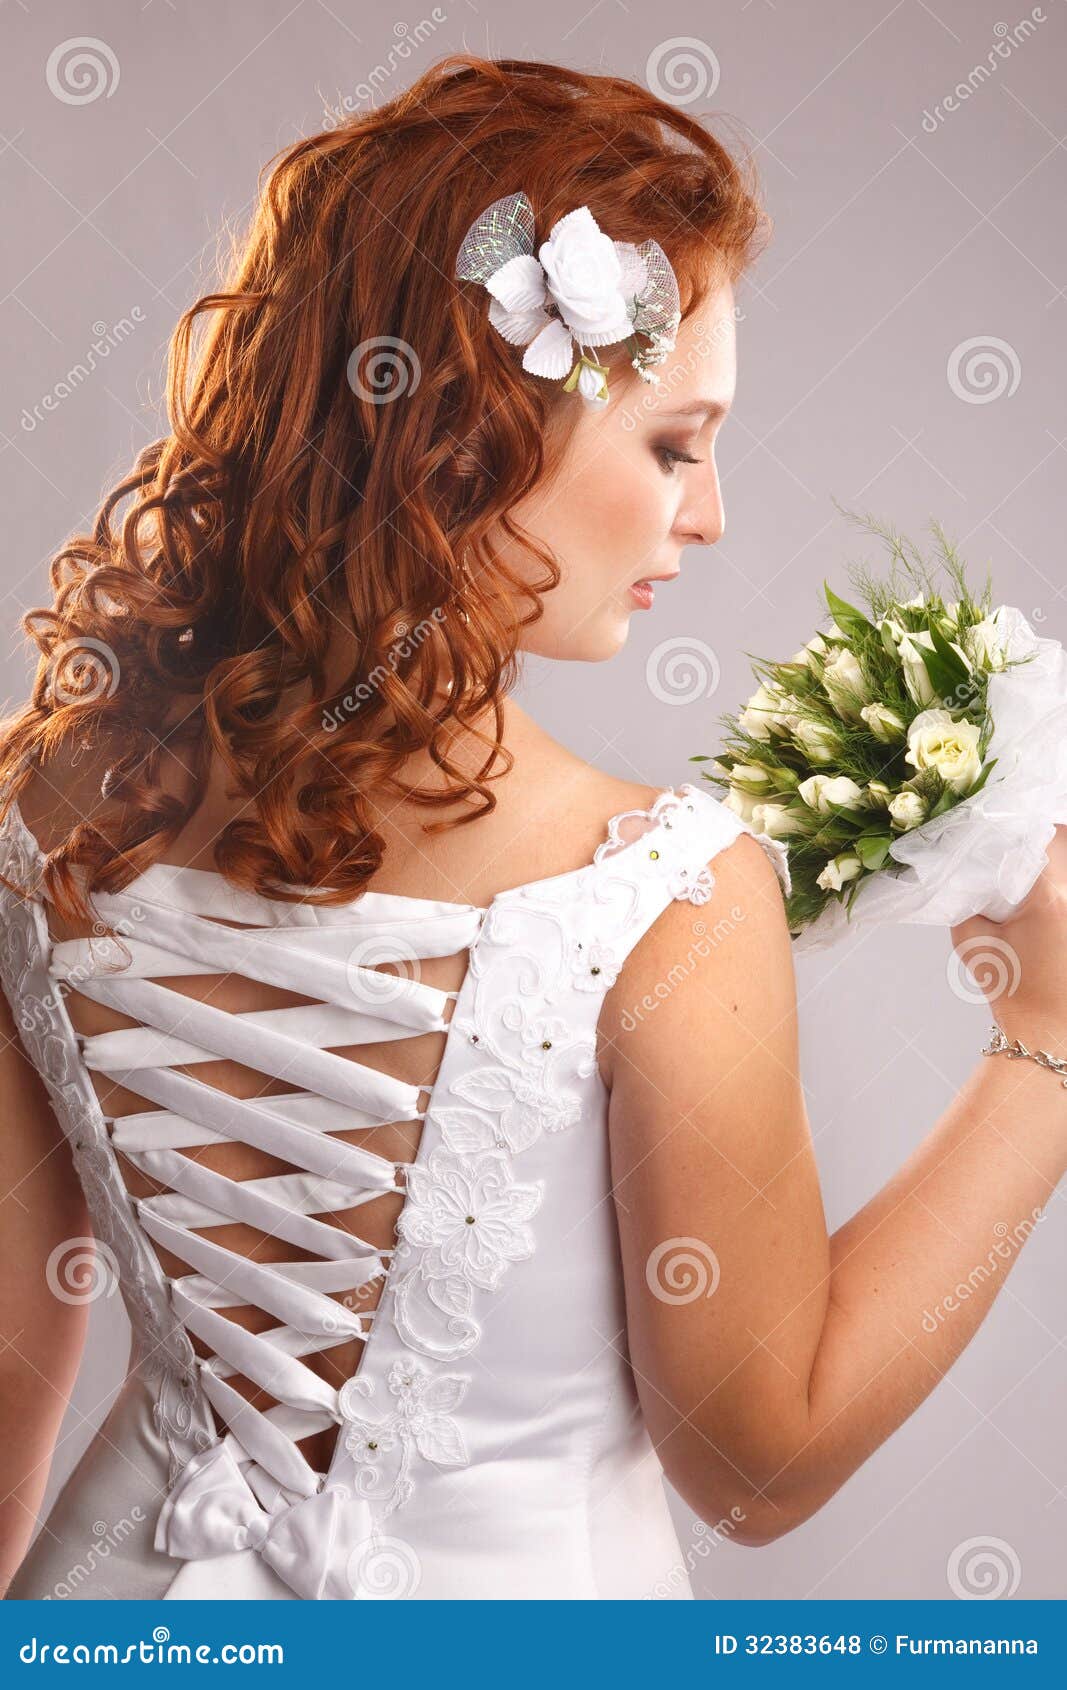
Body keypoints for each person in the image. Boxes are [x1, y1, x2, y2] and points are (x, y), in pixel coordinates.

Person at [2, 53, 1065, 1603]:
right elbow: (761, 1456)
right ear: (474, 427)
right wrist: (1044, 1037)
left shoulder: (46, 810)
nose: (709, 517)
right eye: (674, 442)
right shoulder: (656, 891)